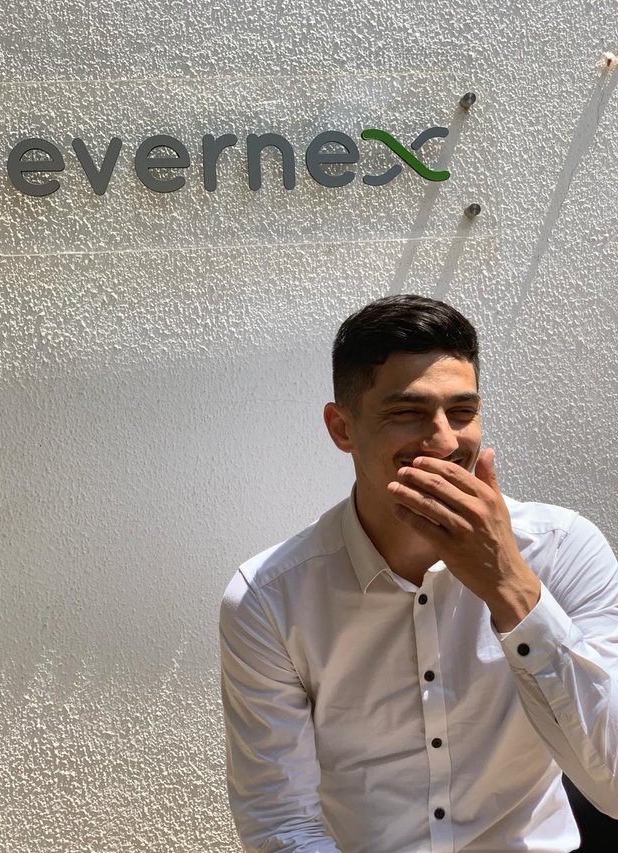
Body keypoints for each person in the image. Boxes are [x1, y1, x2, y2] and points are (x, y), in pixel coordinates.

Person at [219, 294, 618, 853]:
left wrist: (512, 589)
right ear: (342, 428)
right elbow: (281, 822)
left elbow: (612, 785)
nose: (446, 442)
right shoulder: (269, 597)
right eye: (407, 413)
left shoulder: (563, 549)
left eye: (462, 412)